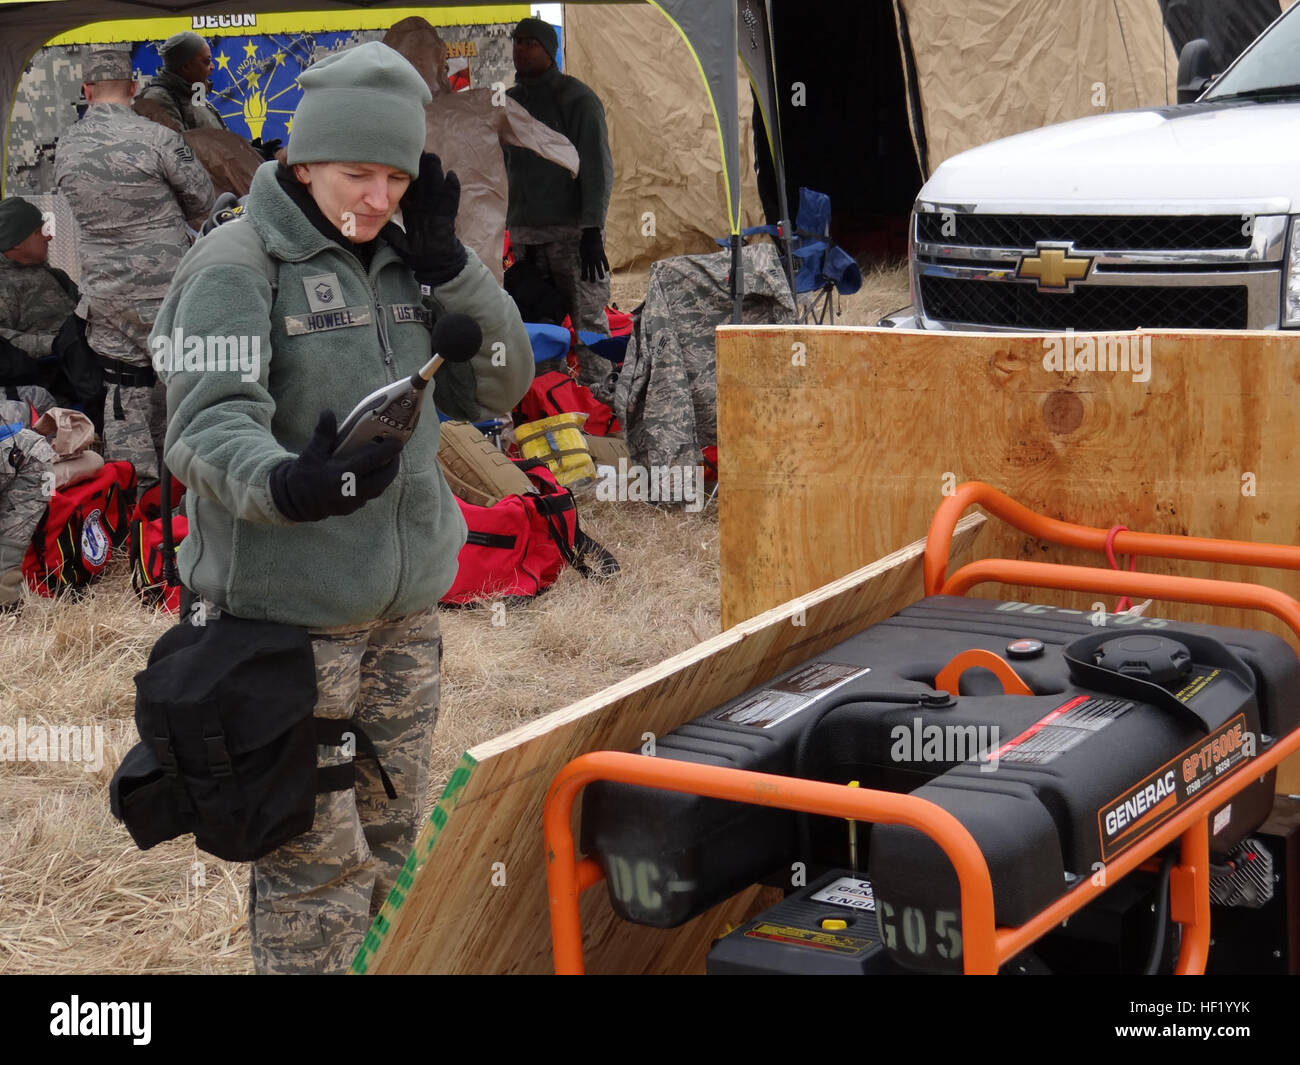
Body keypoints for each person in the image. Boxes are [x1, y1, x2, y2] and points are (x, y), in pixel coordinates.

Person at [153, 41, 532, 975]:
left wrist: (454, 264)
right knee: (315, 868)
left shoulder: (411, 262)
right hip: (287, 631)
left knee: (393, 847)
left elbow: (504, 380)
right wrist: (287, 481)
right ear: (302, 160)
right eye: (358, 173)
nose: (378, 198)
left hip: (402, 621)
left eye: (397, 177)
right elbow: (203, 427)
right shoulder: (237, 266)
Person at [55, 48, 214, 491]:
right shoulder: (159, 139)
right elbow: (202, 201)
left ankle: (134, 498)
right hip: (168, 290)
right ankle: (185, 496)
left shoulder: (66, 145)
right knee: (179, 383)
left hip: (105, 293)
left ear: (86, 92)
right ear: (131, 88)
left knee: (124, 389)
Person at [383, 16, 579, 285]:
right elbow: (544, 138)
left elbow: (542, 137)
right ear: (441, 60)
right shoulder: (482, 104)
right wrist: (569, 158)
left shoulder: (481, 105)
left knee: (464, 284)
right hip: (461, 233)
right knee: (476, 287)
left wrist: (569, 157)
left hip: (459, 233)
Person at [504, 17, 613, 336]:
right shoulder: (508, 103)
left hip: (573, 234)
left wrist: (593, 227)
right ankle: (549, 383)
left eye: (530, 43)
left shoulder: (577, 98)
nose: (520, 49)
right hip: (526, 237)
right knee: (537, 318)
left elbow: (597, 166)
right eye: (517, 41)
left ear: (549, 51)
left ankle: (600, 385)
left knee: (587, 315)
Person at [0, 197, 79, 407]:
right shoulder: (4, 284)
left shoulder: (54, 275)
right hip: (45, 391)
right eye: (40, 232)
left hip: (80, 375)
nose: (50, 237)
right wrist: (54, 345)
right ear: (17, 241)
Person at [133, 31, 227, 132]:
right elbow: (173, 144)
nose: (213, 67)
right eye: (206, 62)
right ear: (186, 67)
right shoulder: (159, 99)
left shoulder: (190, 91)